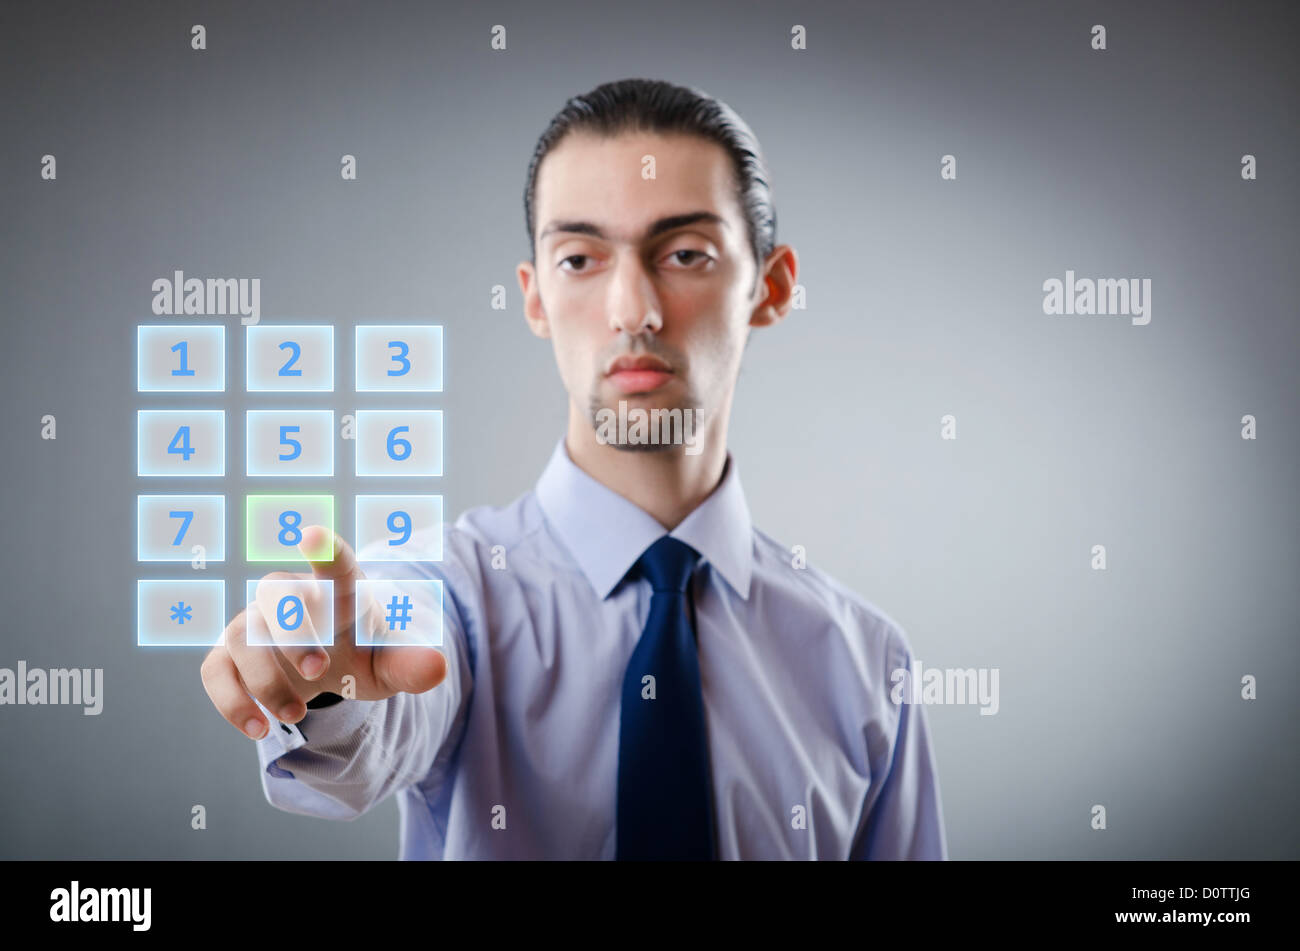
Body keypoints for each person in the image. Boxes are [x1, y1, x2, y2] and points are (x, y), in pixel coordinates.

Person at [200, 78, 948, 860]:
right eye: (581, 258)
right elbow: (388, 679)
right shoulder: (451, 596)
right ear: (534, 298)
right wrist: (328, 676)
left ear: (772, 285)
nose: (632, 308)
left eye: (686, 253)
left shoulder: (869, 666)